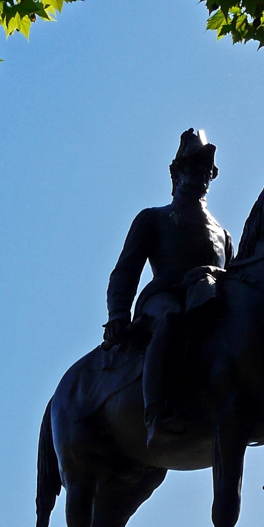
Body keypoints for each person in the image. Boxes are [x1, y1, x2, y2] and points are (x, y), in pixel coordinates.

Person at [103, 128, 233, 444]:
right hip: (165, 297)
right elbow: (126, 269)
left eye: (205, 167)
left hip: (209, 296)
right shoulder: (154, 218)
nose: (200, 172)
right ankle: (156, 414)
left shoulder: (224, 235)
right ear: (177, 172)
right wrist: (119, 314)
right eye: (192, 165)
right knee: (171, 320)